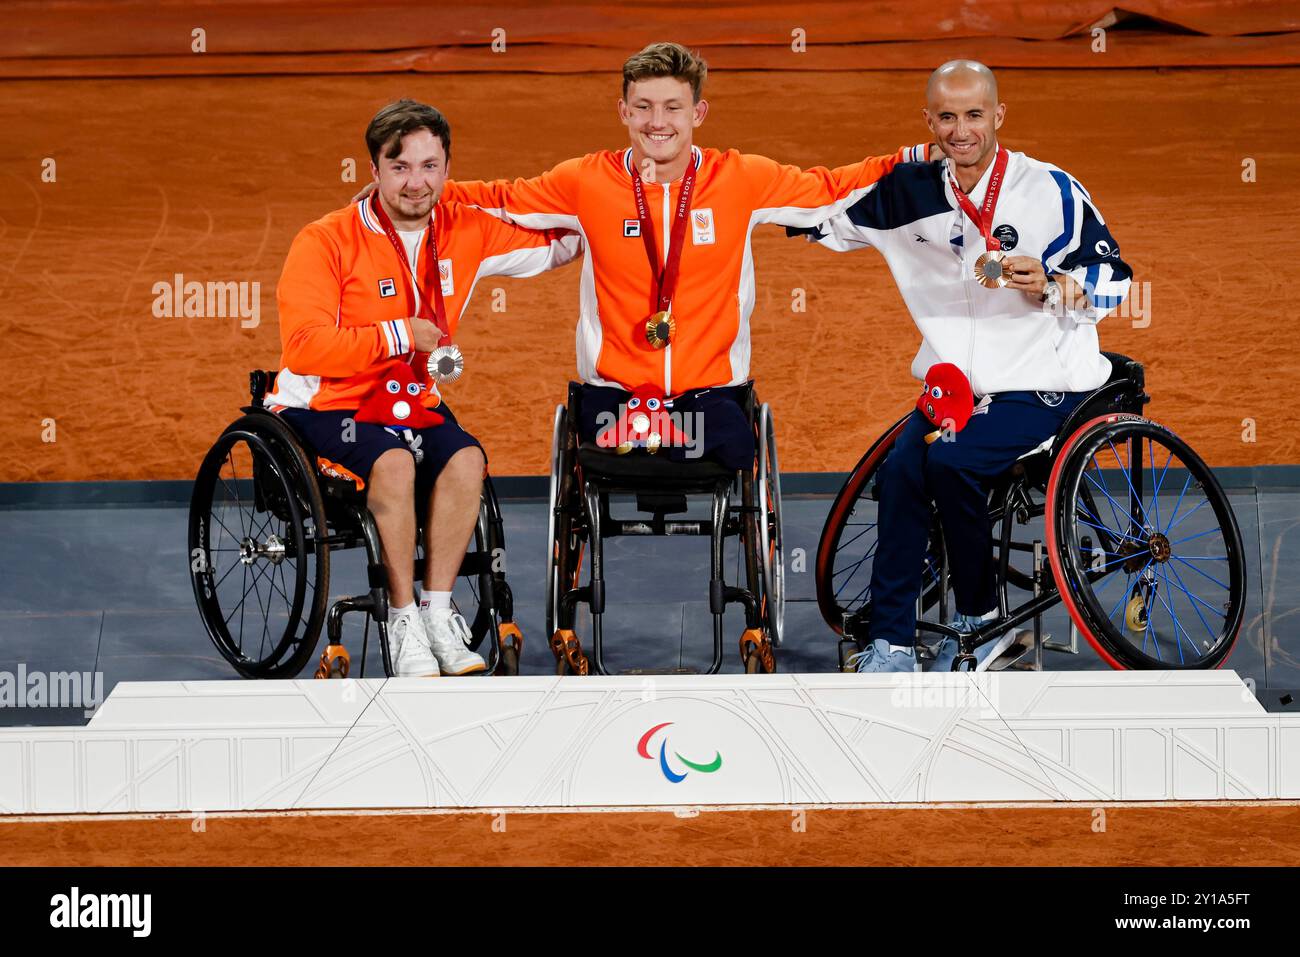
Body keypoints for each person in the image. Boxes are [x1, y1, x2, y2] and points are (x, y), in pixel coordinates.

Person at [361, 42, 930, 470]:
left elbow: (827, 187)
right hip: (611, 394)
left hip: (710, 395)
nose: (658, 123)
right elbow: (505, 201)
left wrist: (912, 154)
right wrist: (418, 191)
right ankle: (644, 425)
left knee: (733, 449)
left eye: (673, 108)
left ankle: (659, 428)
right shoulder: (585, 181)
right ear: (624, 111)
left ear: (697, 114)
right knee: (603, 448)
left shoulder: (741, 179)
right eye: (644, 108)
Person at [792, 60, 1133, 673]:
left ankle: (982, 617)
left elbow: (1114, 284)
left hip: (1043, 384)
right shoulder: (907, 191)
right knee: (902, 470)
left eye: (974, 115)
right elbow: (813, 213)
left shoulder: (1050, 189)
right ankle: (891, 643)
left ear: (998, 116)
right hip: (955, 392)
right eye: (946, 117)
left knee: (949, 463)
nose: (961, 130)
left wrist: (1055, 285)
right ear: (928, 122)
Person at [267, 99, 580, 677]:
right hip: (326, 405)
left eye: (430, 166)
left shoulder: (462, 229)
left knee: (466, 459)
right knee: (393, 462)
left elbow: (557, 245)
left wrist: (617, 217)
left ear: (447, 167)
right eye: (401, 167)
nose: (417, 183)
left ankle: (438, 612)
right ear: (375, 172)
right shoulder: (325, 241)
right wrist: (397, 333)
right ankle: (402, 618)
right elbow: (305, 347)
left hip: (410, 402)